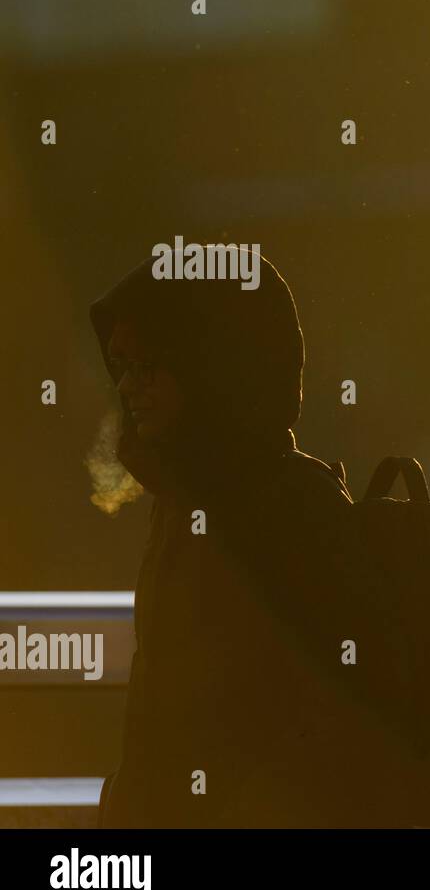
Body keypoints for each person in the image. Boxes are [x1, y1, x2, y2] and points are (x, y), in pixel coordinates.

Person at [91, 248, 385, 827]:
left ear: (212, 365)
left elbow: (308, 739)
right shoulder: (184, 501)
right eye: (120, 364)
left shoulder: (288, 512)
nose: (127, 386)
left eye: (148, 364)